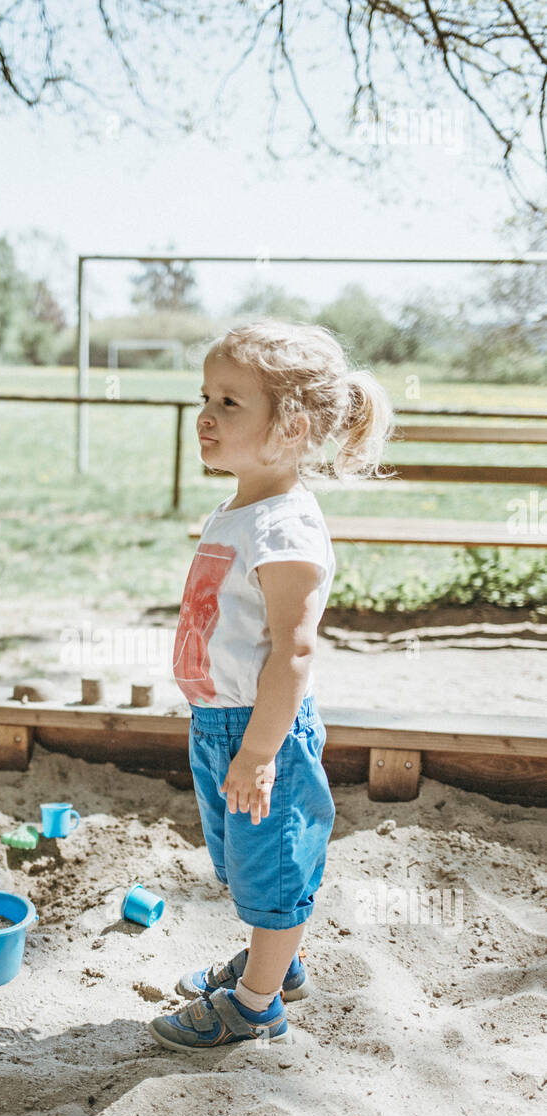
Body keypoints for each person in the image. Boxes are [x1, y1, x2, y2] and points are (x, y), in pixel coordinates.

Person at [149, 319, 393, 1051]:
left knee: (273, 869)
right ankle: (276, 963)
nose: (206, 416)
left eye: (230, 403)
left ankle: (257, 1004)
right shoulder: (241, 508)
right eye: (206, 397)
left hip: (262, 732)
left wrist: (259, 753)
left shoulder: (285, 527)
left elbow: (293, 649)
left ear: (289, 427)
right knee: (244, 865)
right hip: (220, 723)